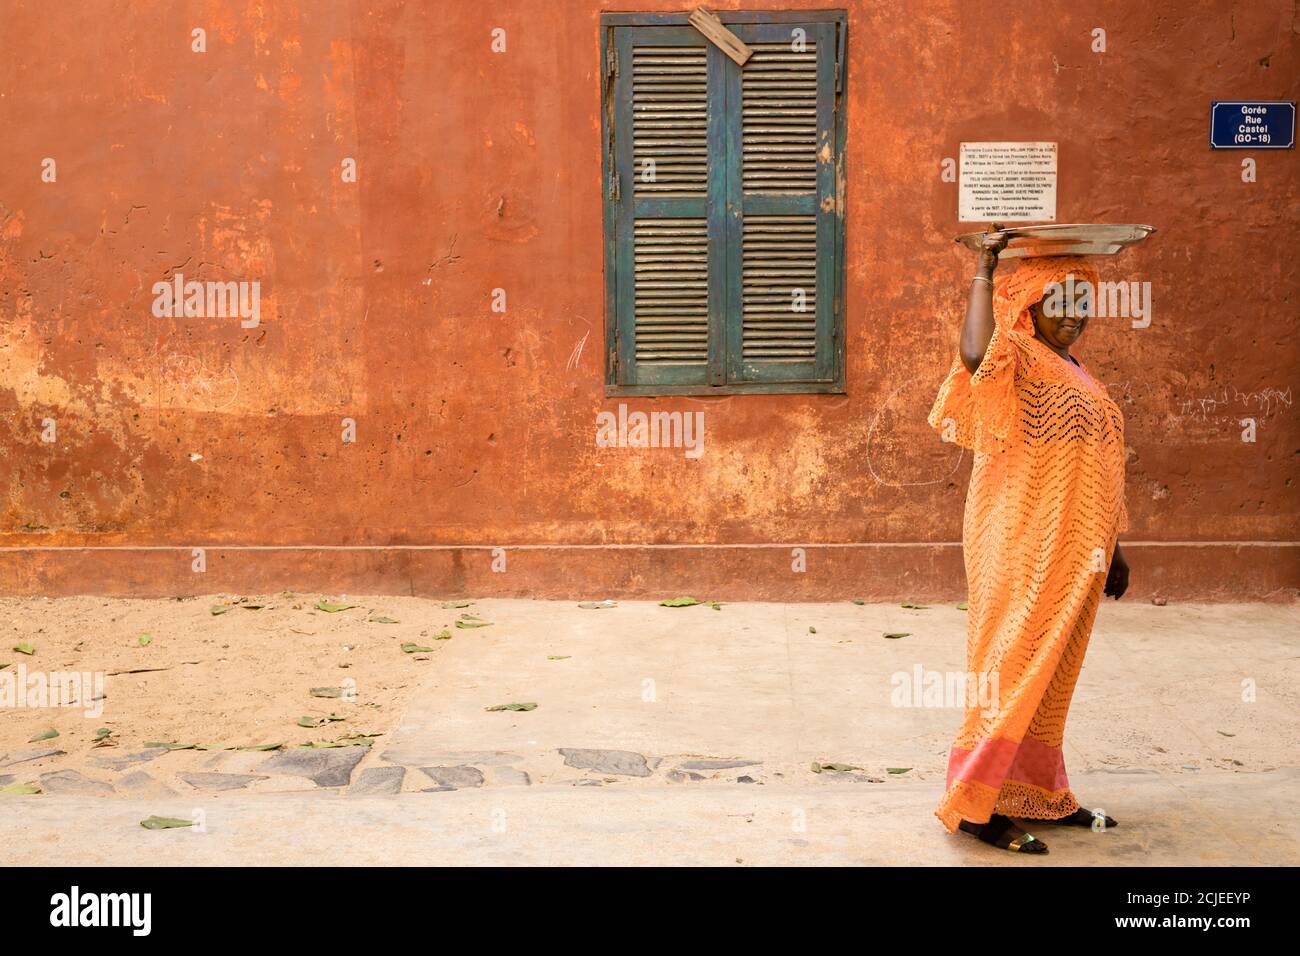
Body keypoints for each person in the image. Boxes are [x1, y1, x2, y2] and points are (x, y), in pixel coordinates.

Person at [927, 234, 1130, 854]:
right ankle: (975, 807)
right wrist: (984, 270)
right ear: (1028, 304)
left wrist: (1113, 545)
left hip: (1079, 552)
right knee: (1011, 667)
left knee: (1052, 676)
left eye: (1081, 301)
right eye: (1058, 301)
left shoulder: (1075, 370)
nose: (1072, 313)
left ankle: (1035, 792)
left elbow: (1094, 460)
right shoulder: (1012, 350)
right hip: (1020, 541)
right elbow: (972, 355)